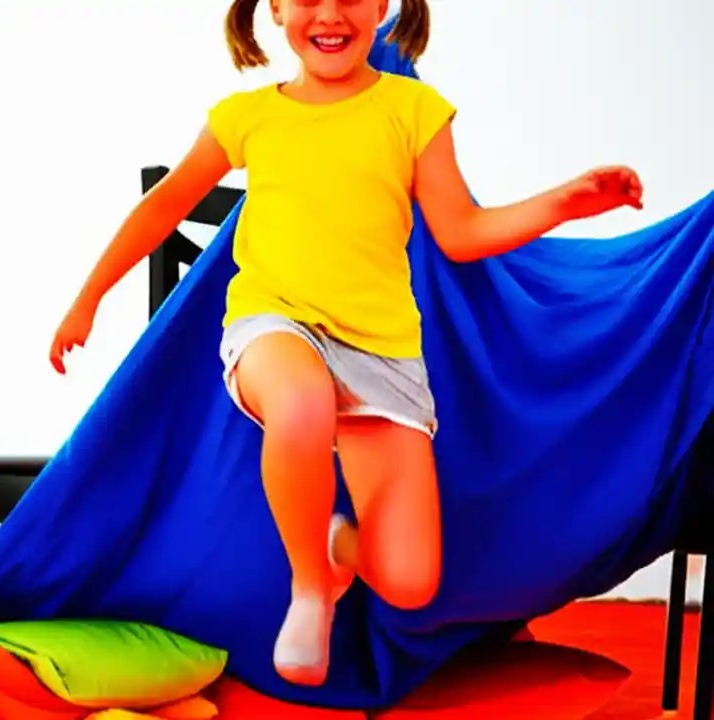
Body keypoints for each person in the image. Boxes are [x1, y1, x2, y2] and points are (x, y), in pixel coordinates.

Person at [49, 0, 642, 687]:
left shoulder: (414, 111)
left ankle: (340, 553)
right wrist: (88, 299)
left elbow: (460, 232)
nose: (330, 13)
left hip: (381, 354)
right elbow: (164, 205)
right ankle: (309, 587)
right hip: (275, 326)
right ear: (273, 7)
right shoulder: (248, 116)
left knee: (409, 581)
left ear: (385, 5)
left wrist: (564, 202)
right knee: (300, 401)